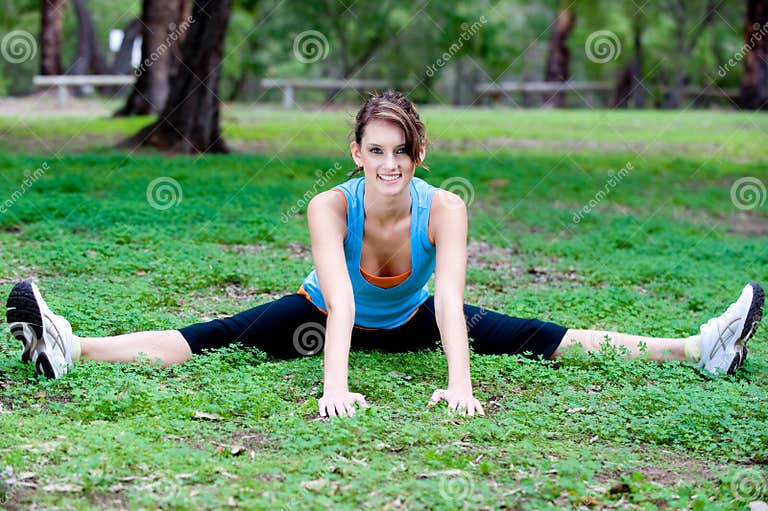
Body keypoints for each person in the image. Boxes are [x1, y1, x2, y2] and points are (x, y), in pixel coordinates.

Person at [5, 91, 764, 419]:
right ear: (357, 153)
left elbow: (447, 304)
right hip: (318, 315)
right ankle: (72, 345)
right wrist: (334, 386)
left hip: (415, 319)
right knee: (214, 335)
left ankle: (699, 348)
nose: (390, 163)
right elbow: (337, 302)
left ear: (419, 152)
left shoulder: (448, 207)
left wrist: (460, 386)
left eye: (402, 150)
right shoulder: (330, 204)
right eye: (377, 151)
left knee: (543, 335)